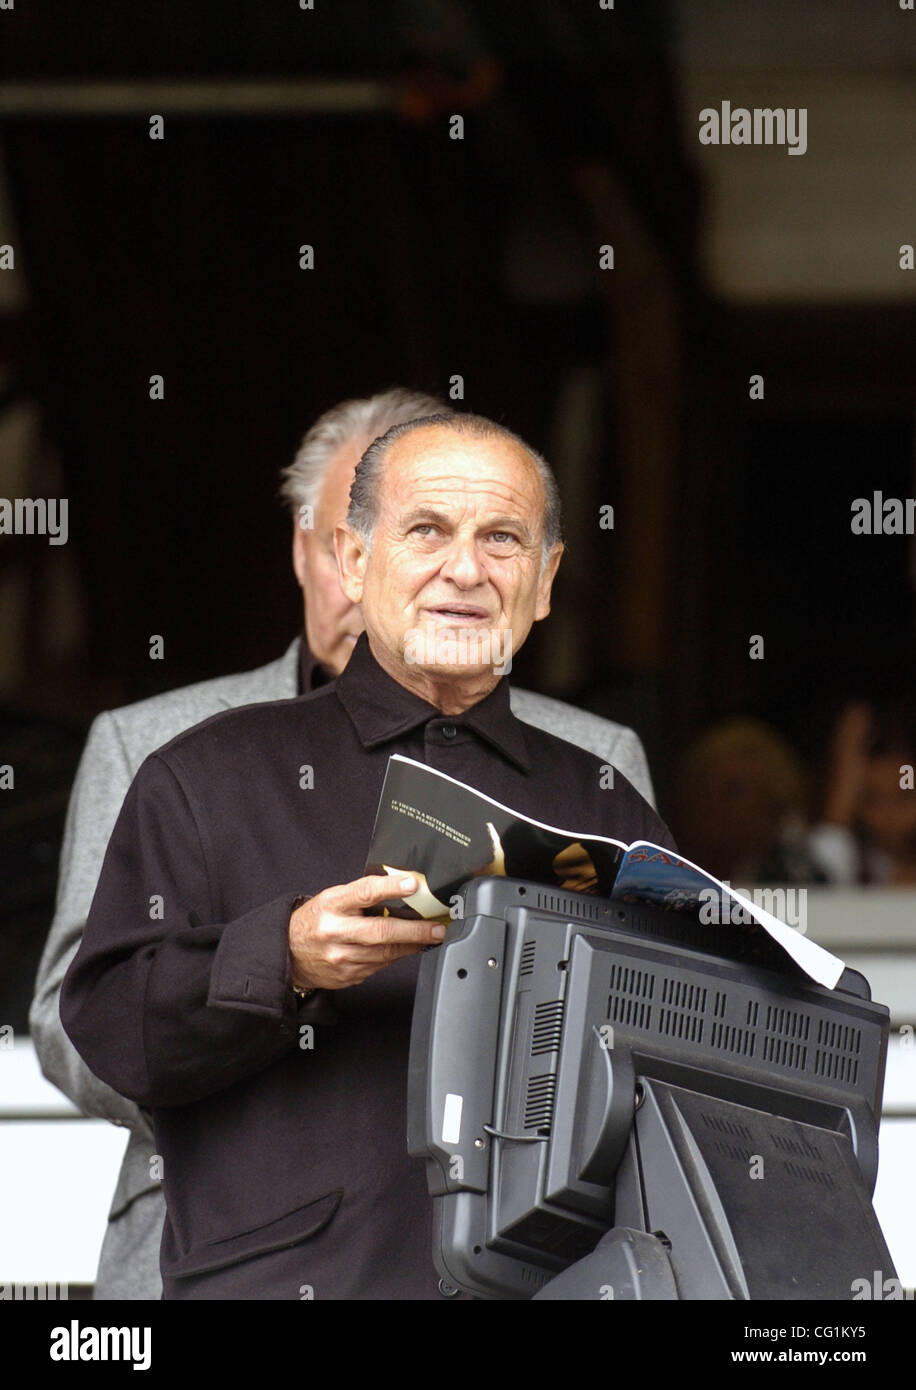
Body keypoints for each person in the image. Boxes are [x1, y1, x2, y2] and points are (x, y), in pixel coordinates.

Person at [31, 389, 656, 1300]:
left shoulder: (604, 797)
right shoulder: (205, 774)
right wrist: (281, 958)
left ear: (546, 580)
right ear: (352, 560)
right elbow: (108, 1032)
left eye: (503, 540)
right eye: (428, 531)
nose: (466, 571)